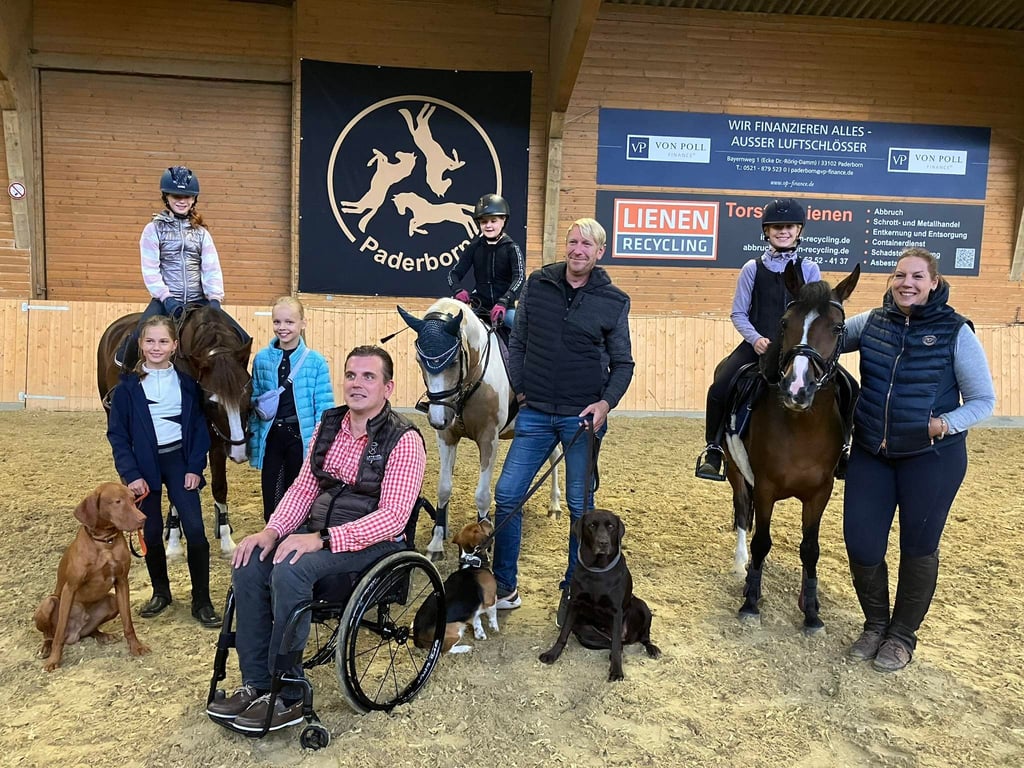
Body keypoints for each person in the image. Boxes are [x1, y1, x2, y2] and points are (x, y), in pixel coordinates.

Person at [206, 345, 426, 732]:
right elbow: (304, 490)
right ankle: (257, 681)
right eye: (351, 375)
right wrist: (272, 531)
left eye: (369, 377)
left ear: (388, 388)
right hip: (320, 532)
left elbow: (392, 518)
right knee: (250, 562)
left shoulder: (404, 439)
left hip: (372, 545)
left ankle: (288, 692)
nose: (357, 384)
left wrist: (322, 538)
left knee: (291, 568)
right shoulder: (329, 425)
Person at [842, 247, 994, 672]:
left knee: (918, 547)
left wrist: (943, 425)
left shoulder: (955, 331)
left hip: (932, 459)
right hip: (873, 452)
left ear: (934, 283)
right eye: (899, 276)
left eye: (916, 277)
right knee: (861, 542)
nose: (906, 283)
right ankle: (875, 624)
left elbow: (984, 400)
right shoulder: (872, 323)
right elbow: (829, 335)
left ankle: (901, 636)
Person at [491, 217, 634, 628]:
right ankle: (505, 586)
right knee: (509, 495)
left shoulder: (614, 300)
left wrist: (605, 403)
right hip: (535, 413)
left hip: (581, 419)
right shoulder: (538, 284)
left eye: (586, 244)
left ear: (599, 252)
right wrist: (521, 390)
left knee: (580, 509)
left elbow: (623, 363)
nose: (577, 250)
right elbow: (517, 343)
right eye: (572, 241)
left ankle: (576, 590)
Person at [106, 314, 222, 628]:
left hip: (179, 462)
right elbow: (117, 434)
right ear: (141, 345)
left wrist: (196, 467)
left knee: (195, 529)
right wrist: (131, 474)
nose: (156, 347)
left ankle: (202, 600)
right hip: (144, 467)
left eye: (163, 341)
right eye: (149, 341)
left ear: (173, 346)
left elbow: (198, 428)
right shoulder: (127, 388)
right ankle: (161, 592)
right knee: (153, 530)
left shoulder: (186, 384)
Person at [695, 198, 822, 481]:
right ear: (767, 231)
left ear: (799, 230)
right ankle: (714, 449)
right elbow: (739, 313)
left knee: (844, 385)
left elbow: (815, 312)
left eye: (788, 226)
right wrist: (755, 340)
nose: (783, 231)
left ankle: (843, 450)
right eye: (776, 227)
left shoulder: (810, 269)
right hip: (759, 346)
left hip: (797, 349)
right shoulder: (751, 268)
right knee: (720, 386)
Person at [116, 165, 250, 370]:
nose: (182, 200)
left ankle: (235, 390)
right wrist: (167, 299)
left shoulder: (201, 233)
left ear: (194, 199)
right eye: (176, 195)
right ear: (166, 197)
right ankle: (122, 383)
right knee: (137, 337)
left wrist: (214, 299)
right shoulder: (153, 229)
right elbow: (151, 269)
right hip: (167, 301)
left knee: (240, 335)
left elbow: (211, 267)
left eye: (187, 196)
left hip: (199, 300)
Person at [249, 297, 335, 522]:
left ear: (302, 324)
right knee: (271, 494)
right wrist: (255, 444)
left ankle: (294, 538)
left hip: (301, 439)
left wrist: (320, 446)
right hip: (272, 438)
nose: (282, 328)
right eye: (277, 322)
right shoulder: (261, 359)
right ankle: (273, 534)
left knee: (298, 493)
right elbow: (255, 404)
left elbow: (324, 409)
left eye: (289, 322)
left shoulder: (316, 362)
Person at [447, 193, 526, 333]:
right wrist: (458, 289)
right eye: (484, 222)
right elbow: (453, 274)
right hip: (479, 309)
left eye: (493, 221)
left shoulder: (512, 248)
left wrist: (504, 301)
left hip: (505, 310)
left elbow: (519, 278)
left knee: (525, 332)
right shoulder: (474, 247)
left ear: (503, 220)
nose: (488, 226)